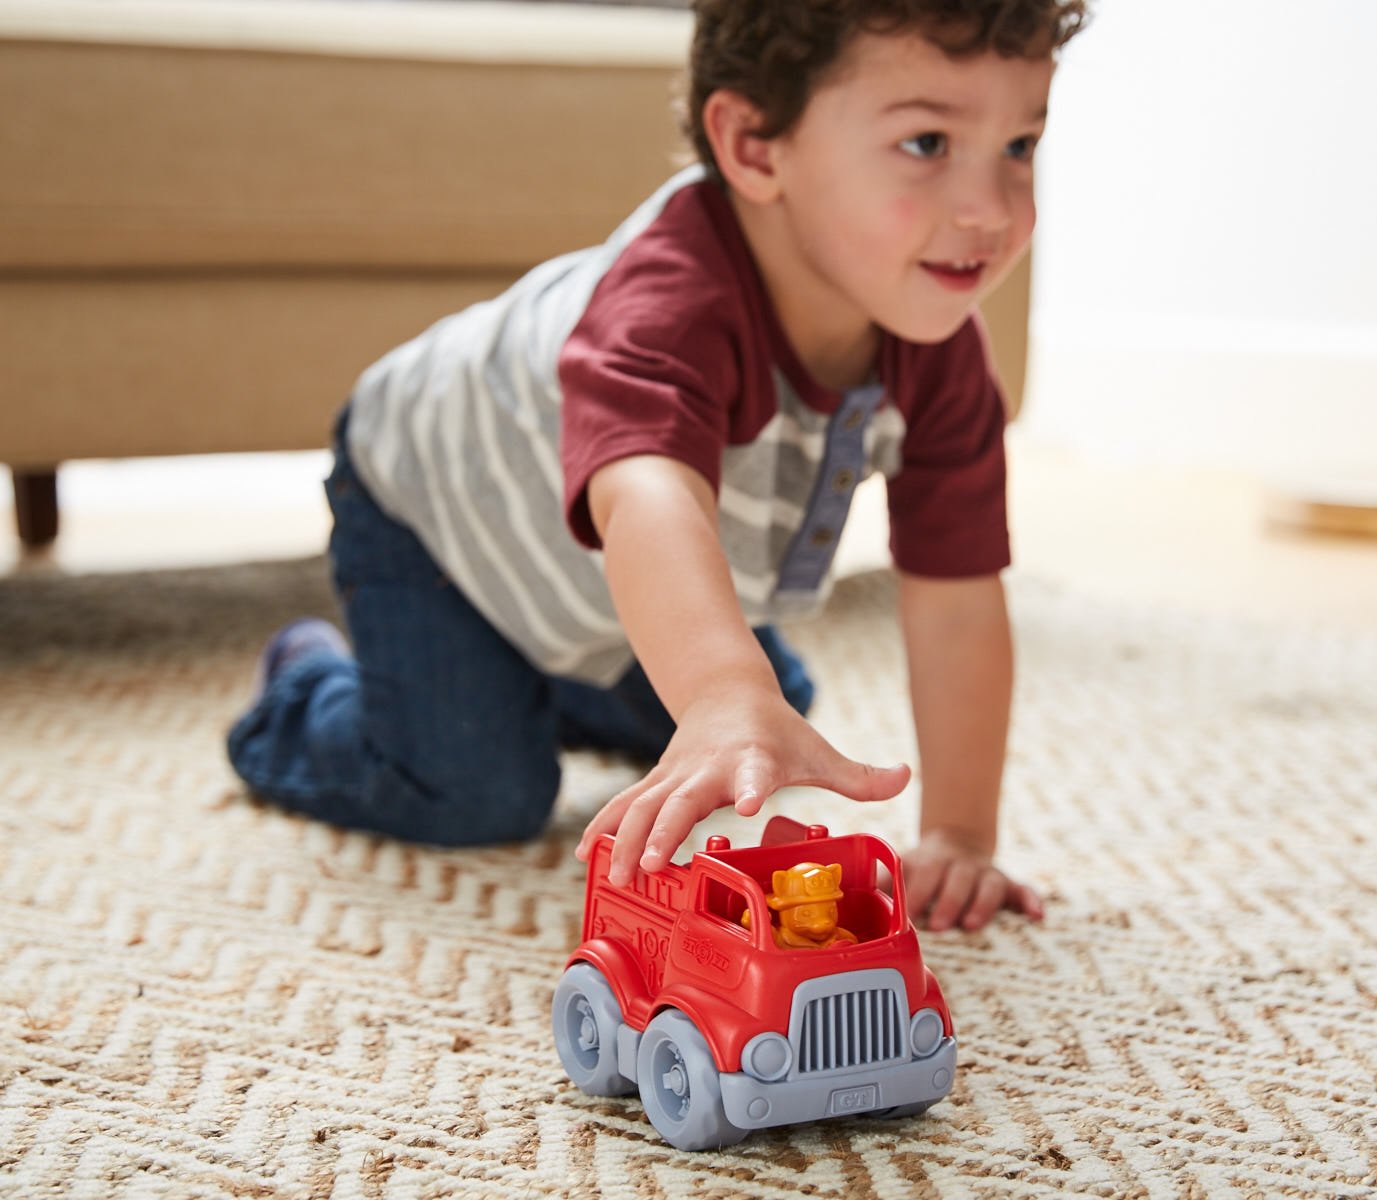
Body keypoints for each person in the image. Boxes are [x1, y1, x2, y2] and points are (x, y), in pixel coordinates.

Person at [227, 0, 1088, 933]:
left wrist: (960, 834)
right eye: (927, 142)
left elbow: (957, 592)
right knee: (479, 792)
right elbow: (646, 491)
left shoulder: (941, 348)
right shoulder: (667, 306)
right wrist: (721, 689)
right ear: (755, 145)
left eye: (1019, 146)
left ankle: (556, 681)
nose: (991, 209)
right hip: (436, 518)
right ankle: (305, 684)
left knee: (772, 717)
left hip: (587, 579)